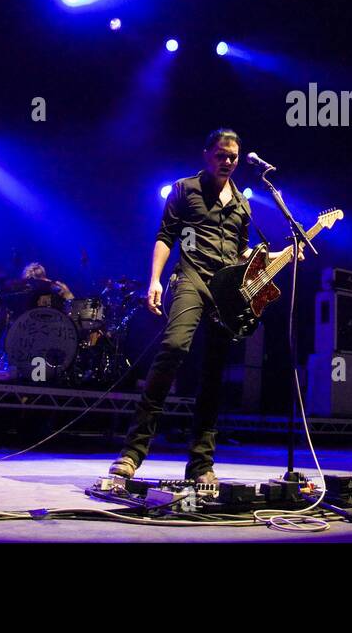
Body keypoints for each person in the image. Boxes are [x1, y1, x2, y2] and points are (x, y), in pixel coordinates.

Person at [107, 128, 297, 485]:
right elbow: (166, 235)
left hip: (227, 290)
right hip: (191, 278)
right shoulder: (185, 189)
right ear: (207, 154)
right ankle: (132, 453)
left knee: (213, 375)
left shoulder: (243, 203)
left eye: (233, 157)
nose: (227, 162)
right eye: (221, 155)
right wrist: (154, 280)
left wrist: (280, 255)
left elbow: (243, 254)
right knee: (173, 348)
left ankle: (200, 465)